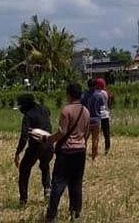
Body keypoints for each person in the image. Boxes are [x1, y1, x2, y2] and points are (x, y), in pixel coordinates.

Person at [45, 83, 90, 223]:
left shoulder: (66, 110)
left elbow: (62, 132)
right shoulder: (86, 111)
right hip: (80, 151)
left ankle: (51, 215)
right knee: (76, 183)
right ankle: (75, 213)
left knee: (58, 183)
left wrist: (49, 139)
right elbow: (86, 133)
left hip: (66, 151)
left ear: (69, 94)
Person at [14, 93, 53, 206]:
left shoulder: (28, 116)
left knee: (24, 170)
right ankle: (47, 191)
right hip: (49, 145)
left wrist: (17, 153)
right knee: (45, 166)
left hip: (36, 146)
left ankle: (23, 199)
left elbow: (24, 137)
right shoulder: (45, 109)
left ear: (25, 105)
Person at [80, 79, 105, 161]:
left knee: (84, 140)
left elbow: (81, 108)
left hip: (87, 121)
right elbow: (102, 109)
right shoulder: (99, 96)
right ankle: (94, 157)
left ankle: (82, 156)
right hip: (96, 120)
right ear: (95, 86)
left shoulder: (83, 96)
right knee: (95, 139)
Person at [95, 78, 111, 154]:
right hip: (105, 114)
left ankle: (95, 149)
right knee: (106, 133)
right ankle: (107, 148)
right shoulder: (105, 93)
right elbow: (108, 102)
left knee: (96, 134)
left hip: (97, 115)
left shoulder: (95, 93)